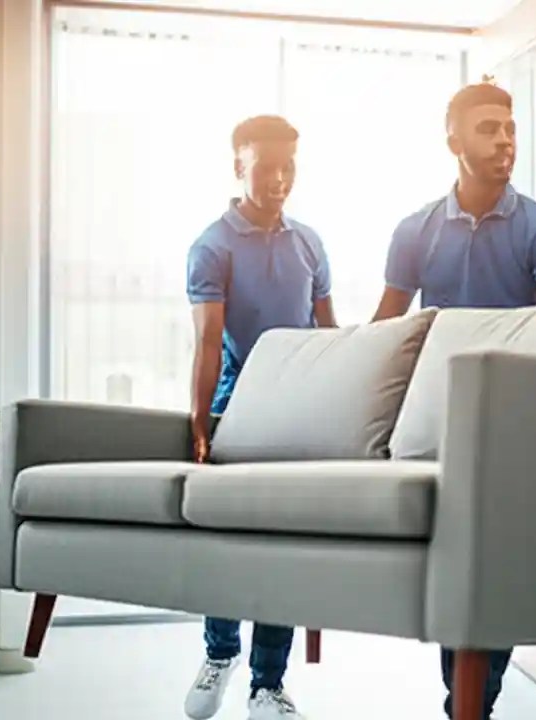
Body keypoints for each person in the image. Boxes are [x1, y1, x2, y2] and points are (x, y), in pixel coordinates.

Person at [372, 82, 536, 719]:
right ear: (454, 141)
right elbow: (386, 330)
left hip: (515, 426)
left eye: (510, 128)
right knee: (457, 566)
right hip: (436, 422)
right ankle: (465, 703)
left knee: (497, 569)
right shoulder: (415, 230)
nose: (505, 140)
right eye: (489, 129)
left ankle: (470, 705)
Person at [183, 115, 336, 720]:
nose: (279, 179)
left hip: (296, 412)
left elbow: (328, 334)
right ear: (238, 167)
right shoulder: (212, 246)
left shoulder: (310, 244)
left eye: (288, 167)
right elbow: (207, 340)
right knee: (227, 541)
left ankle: (267, 684)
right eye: (266, 167)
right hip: (235, 407)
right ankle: (219, 653)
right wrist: (200, 420)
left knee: (282, 550)